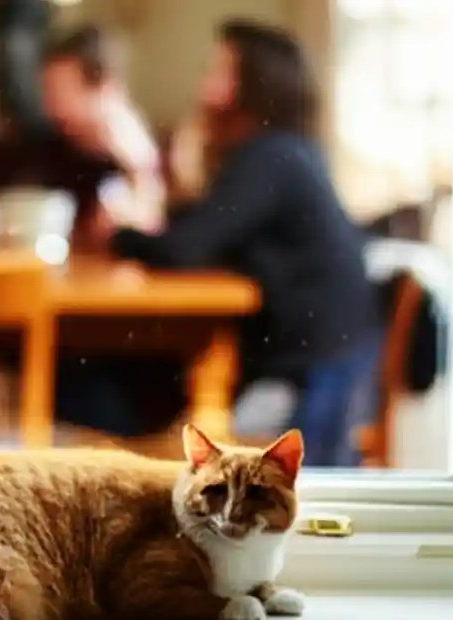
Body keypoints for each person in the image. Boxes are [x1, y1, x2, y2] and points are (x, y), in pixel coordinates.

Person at [110, 21, 379, 466]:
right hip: (329, 353)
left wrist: (119, 237)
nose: (203, 82)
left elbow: (182, 249)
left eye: (216, 69)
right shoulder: (287, 152)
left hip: (314, 370)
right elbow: (207, 226)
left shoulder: (268, 156)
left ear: (249, 85)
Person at [32, 25, 164, 253]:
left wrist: (139, 174)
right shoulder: (54, 145)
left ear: (104, 88)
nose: (51, 107)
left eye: (60, 91)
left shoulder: (132, 155)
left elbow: (146, 228)